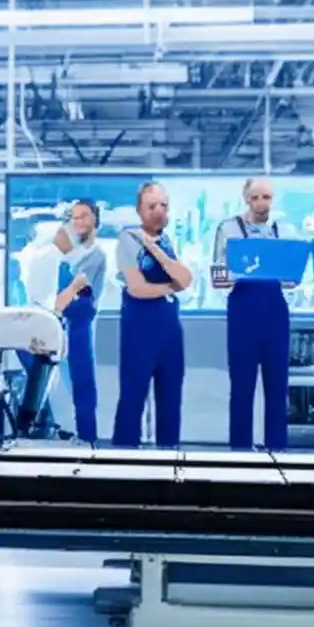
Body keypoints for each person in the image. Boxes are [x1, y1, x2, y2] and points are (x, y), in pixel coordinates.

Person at [212, 178, 291, 451]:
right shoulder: (228, 228)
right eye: (256, 197)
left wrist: (289, 273)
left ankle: (278, 451)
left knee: (277, 386)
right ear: (246, 197)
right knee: (242, 386)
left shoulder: (282, 230)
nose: (261, 203)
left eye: (266, 197)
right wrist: (239, 271)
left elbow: (291, 280)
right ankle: (240, 452)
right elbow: (217, 276)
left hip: (276, 314)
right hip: (243, 312)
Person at [113, 182, 193, 448]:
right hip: (140, 326)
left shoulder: (168, 241)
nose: (159, 211)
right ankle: (123, 457)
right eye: (152, 206)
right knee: (133, 394)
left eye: (163, 206)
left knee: (171, 395)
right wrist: (170, 287)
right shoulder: (128, 239)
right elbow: (137, 288)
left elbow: (186, 279)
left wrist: (158, 252)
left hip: (169, 328)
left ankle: (169, 454)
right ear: (139, 210)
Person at [49, 200, 107, 442]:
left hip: (79, 323)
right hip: (63, 323)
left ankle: (87, 436)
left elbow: (74, 287)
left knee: (82, 381)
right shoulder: (70, 254)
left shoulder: (95, 255)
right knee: (62, 381)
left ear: (95, 220)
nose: (78, 221)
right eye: (74, 217)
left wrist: (56, 308)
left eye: (84, 216)